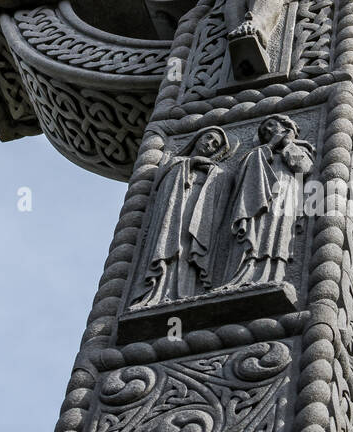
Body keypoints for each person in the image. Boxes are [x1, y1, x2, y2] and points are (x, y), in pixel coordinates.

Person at [131, 126, 234, 308]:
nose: (209, 144)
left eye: (215, 144)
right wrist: (191, 163)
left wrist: (213, 172)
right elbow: (161, 187)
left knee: (187, 248)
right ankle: (156, 292)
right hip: (173, 214)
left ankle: (185, 293)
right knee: (170, 244)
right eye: (208, 138)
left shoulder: (214, 170)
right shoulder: (176, 163)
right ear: (196, 139)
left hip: (196, 215)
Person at [221, 115, 314, 289]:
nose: (268, 131)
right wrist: (270, 146)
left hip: (286, 192)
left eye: (271, 125)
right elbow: (242, 175)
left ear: (285, 127)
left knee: (277, 232)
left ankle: (273, 274)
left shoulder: (299, 148)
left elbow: (304, 168)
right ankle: (245, 273)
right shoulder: (257, 152)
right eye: (264, 131)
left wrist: (287, 143)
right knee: (256, 230)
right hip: (258, 197)